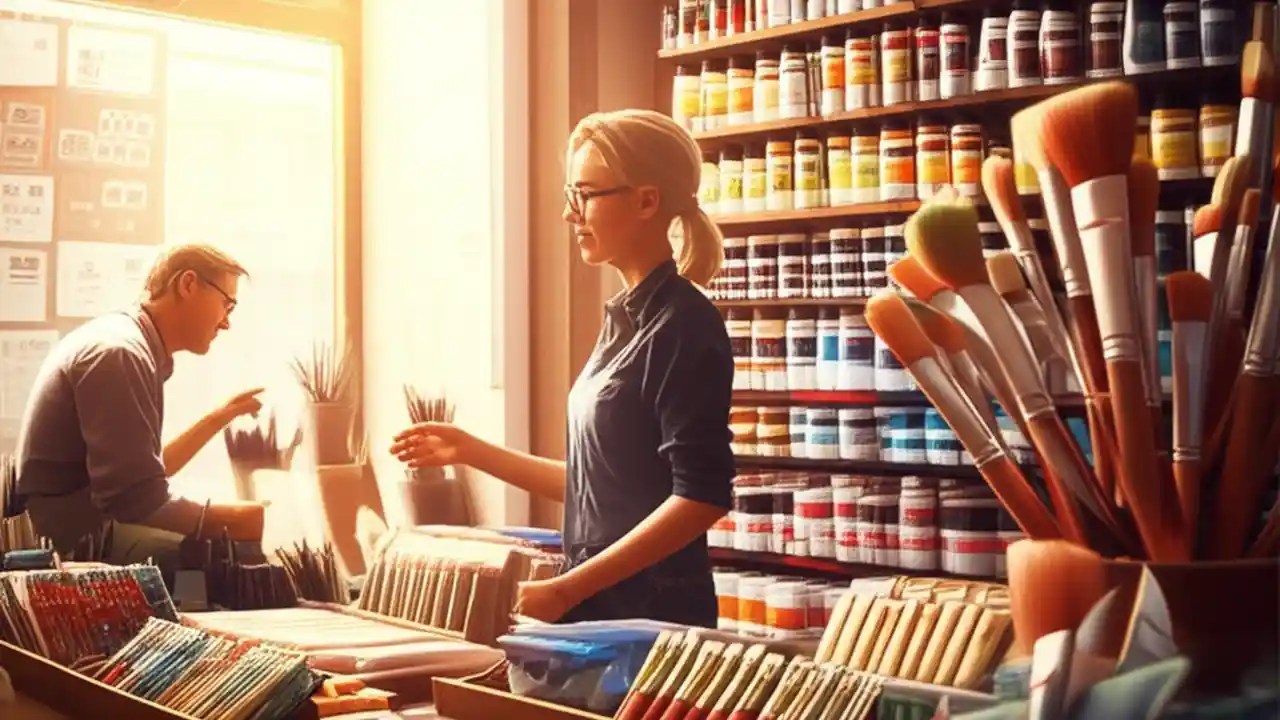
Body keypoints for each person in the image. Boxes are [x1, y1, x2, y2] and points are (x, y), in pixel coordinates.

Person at [391, 109, 734, 626]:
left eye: (585, 195)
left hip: (649, 621)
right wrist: (470, 450)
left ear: (646, 200)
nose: (569, 214)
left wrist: (568, 589)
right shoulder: (626, 320)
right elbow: (600, 485)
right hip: (602, 611)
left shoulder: (684, 326)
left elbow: (700, 497)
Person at [15, 243, 266, 577]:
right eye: (227, 304)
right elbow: (134, 500)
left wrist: (220, 416)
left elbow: (143, 477)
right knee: (220, 557)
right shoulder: (119, 353)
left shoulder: (129, 343)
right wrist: (223, 518)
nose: (226, 324)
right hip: (74, 542)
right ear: (187, 284)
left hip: (84, 523)